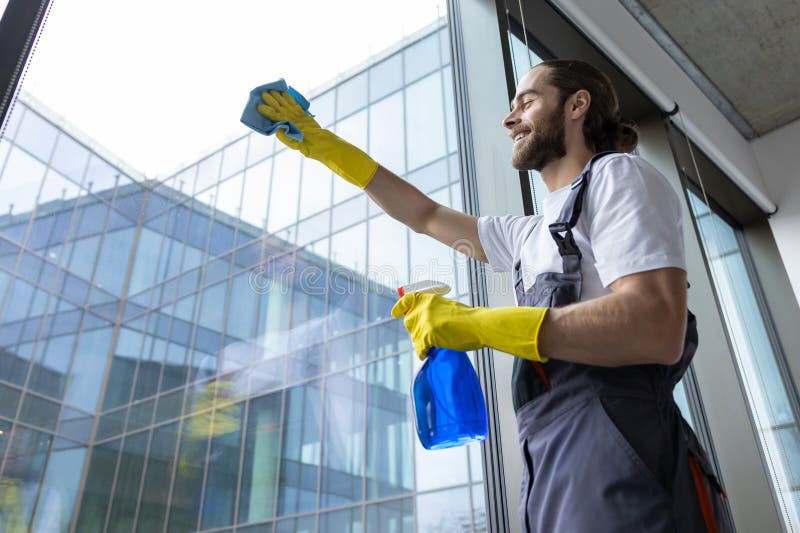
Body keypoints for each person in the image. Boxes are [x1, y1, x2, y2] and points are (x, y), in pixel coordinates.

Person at [257, 59, 732, 532]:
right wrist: (322, 145)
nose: (510, 119)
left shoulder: (618, 177)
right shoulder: (527, 236)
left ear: (577, 105)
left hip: (627, 454)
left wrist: (477, 324)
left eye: (527, 101)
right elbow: (424, 215)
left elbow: (654, 325)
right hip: (550, 460)